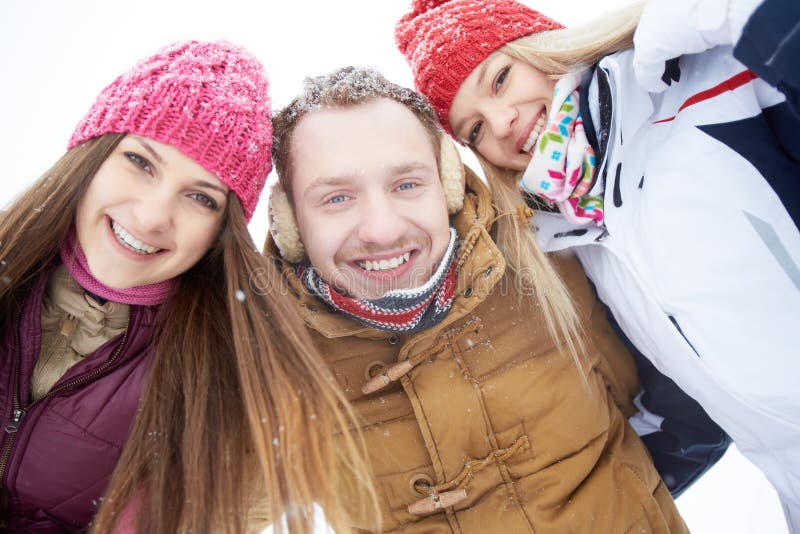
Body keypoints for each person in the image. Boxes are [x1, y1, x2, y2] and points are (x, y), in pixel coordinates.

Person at [395, 0, 800, 529]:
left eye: (499, 80)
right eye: (472, 131)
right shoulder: (575, 238)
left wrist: (728, 12)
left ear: (539, 46)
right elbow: (690, 407)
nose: (502, 123)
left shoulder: (707, 84)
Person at [266, 65, 688, 532]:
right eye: (337, 198)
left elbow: (663, 402)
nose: (382, 229)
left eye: (407, 185)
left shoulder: (545, 258)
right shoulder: (266, 357)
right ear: (289, 220)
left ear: (446, 182)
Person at [0, 41, 377, 533]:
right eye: (140, 162)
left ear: (221, 230)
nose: (153, 216)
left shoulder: (224, 384)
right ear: (91, 157)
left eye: (200, 197)